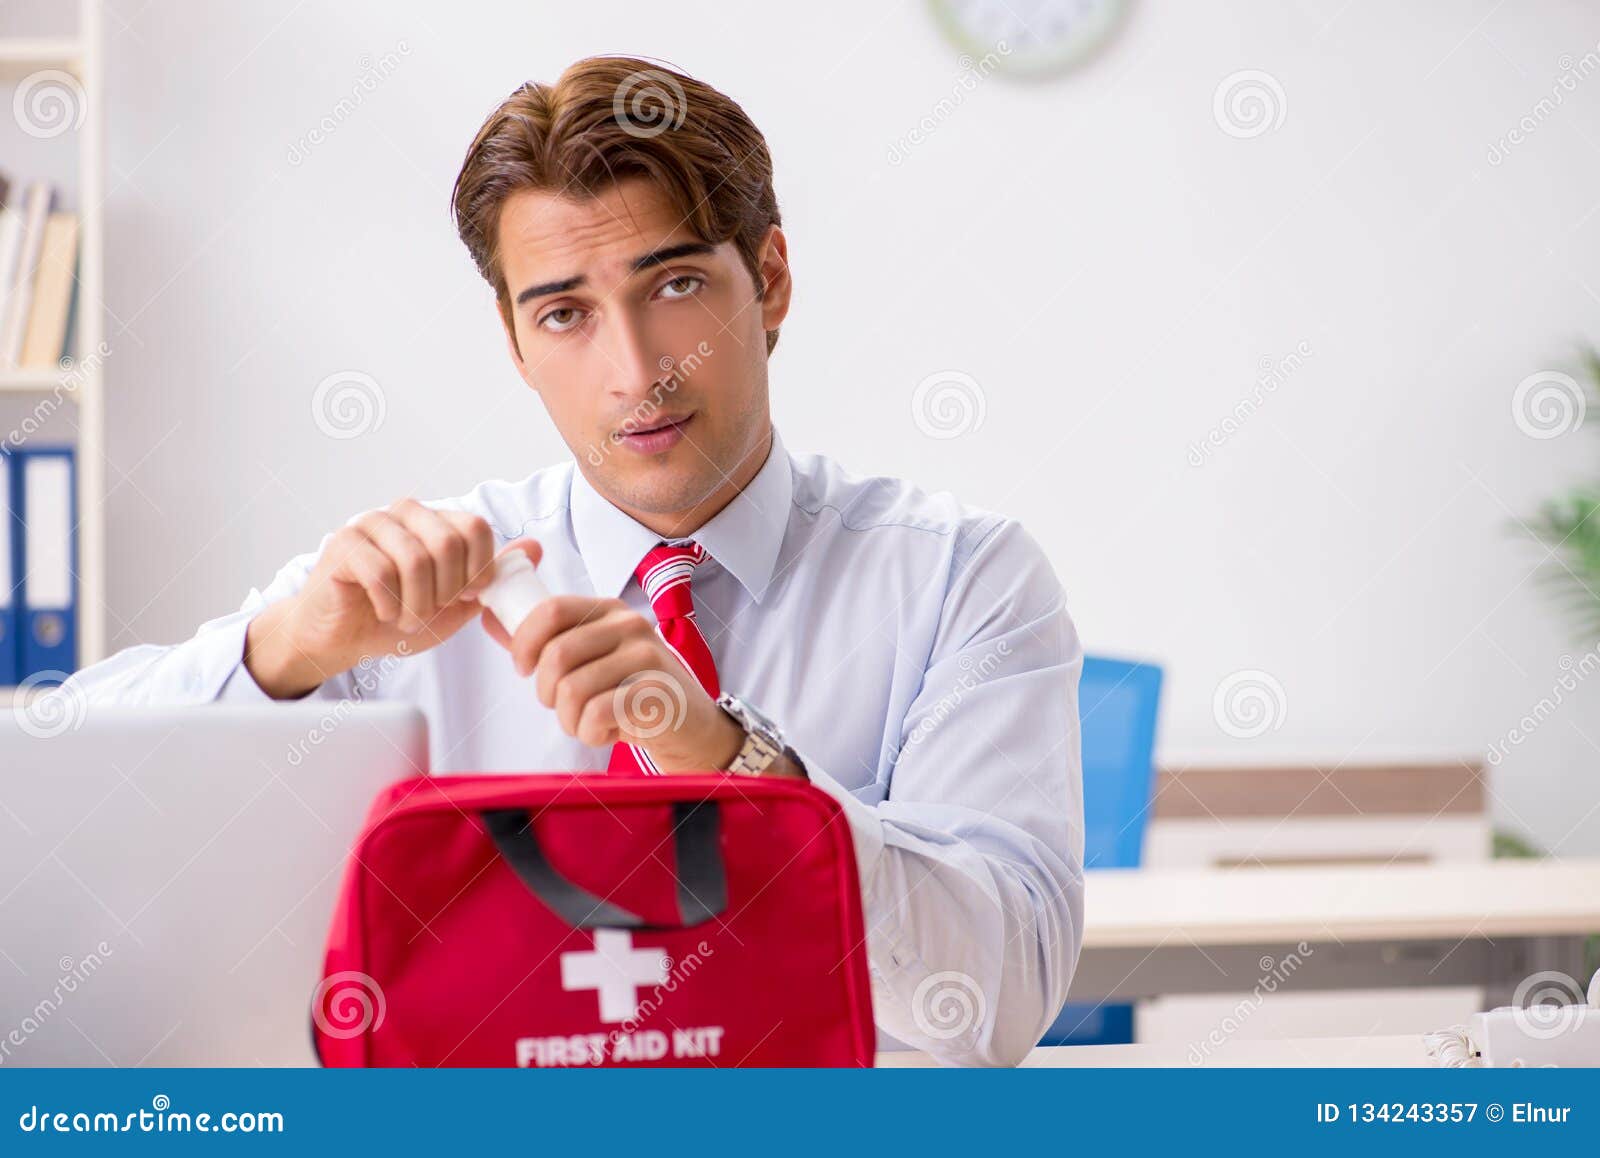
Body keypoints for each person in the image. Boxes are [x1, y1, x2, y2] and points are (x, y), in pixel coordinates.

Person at [60, 56, 1085, 1067]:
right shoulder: (417, 588)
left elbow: (994, 1004)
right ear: (513, 341)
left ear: (769, 282)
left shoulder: (960, 578)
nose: (635, 372)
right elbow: (67, 803)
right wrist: (283, 651)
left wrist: (731, 767)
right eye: (564, 313)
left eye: (675, 284)